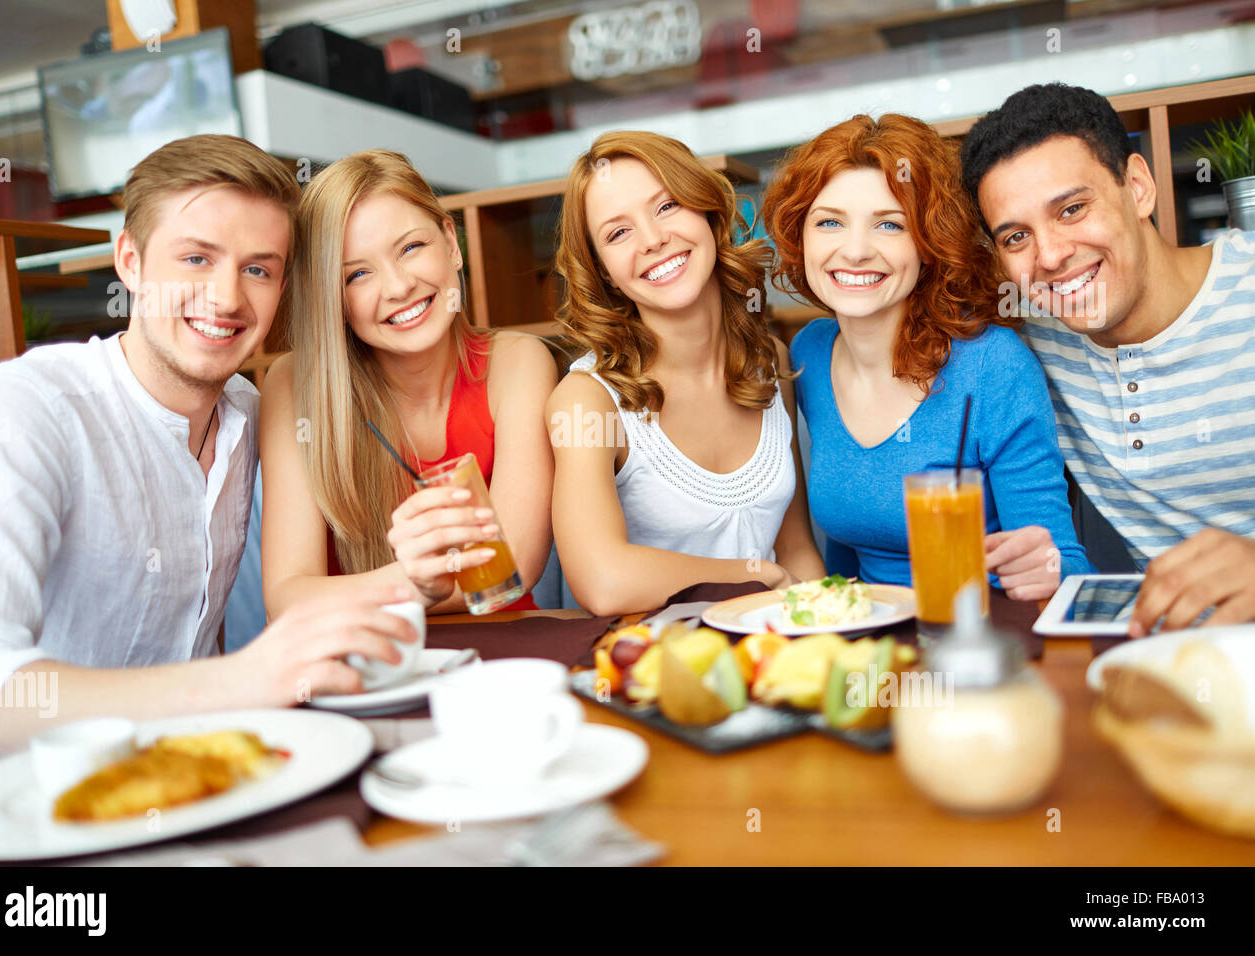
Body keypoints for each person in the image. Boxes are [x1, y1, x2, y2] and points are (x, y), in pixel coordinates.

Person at [0, 135, 419, 771]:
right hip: (32, 808)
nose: (228, 298)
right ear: (131, 261)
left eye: (258, 269)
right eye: (197, 259)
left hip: (196, 781)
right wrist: (244, 679)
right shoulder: (26, 409)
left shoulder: (253, 416)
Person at [961, 83, 1255, 633]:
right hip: (1169, 666)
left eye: (1072, 209)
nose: (1050, 256)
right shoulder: (1031, 334)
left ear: (1138, 187)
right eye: (1016, 236)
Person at [762, 113, 1094, 598]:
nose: (854, 251)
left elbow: (1063, 564)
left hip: (983, 633)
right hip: (877, 641)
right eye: (830, 222)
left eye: (889, 225)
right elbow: (846, 551)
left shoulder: (993, 367)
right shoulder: (809, 354)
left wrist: (1045, 567)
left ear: (929, 244)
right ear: (800, 238)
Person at [259, 150, 555, 617]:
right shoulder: (294, 385)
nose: (397, 287)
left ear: (451, 243)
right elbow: (287, 598)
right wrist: (417, 585)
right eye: (358, 274)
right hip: (371, 674)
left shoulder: (518, 363)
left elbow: (509, 569)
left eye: (410, 248)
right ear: (331, 299)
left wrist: (375, 593)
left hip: (501, 656)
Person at [547, 130, 825, 616]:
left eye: (667, 206)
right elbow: (603, 582)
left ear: (708, 213)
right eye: (618, 233)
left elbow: (797, 548)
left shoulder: (770, 362)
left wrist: (828, 633)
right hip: (650, 671)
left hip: (766, 655)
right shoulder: (586, 400)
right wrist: (754, 575)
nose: (653, 240)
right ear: (605, 271)